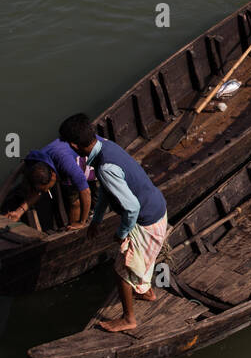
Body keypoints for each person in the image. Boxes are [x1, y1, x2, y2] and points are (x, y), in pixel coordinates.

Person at [57, 113, 170, 334]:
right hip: (157, 208)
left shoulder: (105, 167)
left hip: (146, 221)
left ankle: (128, 319)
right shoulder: (105, 145)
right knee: (138, 258)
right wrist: (96, 220)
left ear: (73, 145)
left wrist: (121, 233)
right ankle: (145, 291)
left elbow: (131, 208)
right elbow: (108, 192)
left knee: (121, 270)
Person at [4, 126, 92, 230]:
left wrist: (81, 223)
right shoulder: (38, 164)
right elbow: (39, 191)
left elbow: (85, 192)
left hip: (91, 161)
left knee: (75, 199)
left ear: (53, 175)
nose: (44, 191)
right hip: (64, 158)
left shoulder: (68, 166)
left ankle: (76, 226)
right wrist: (19, 212)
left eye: (46, 189)